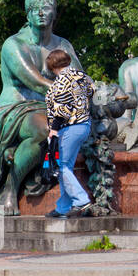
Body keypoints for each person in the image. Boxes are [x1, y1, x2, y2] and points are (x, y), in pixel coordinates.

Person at [43, 48, 95, 218]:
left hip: (69, 127)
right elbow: (92, 92)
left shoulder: (61, 81)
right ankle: (63, 207)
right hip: (84, 125)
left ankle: (81, 200)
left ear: (52, 66)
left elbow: (62, 109)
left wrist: (54, 130)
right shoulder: (82, 76)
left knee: (62, 166)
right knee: (67, 168)